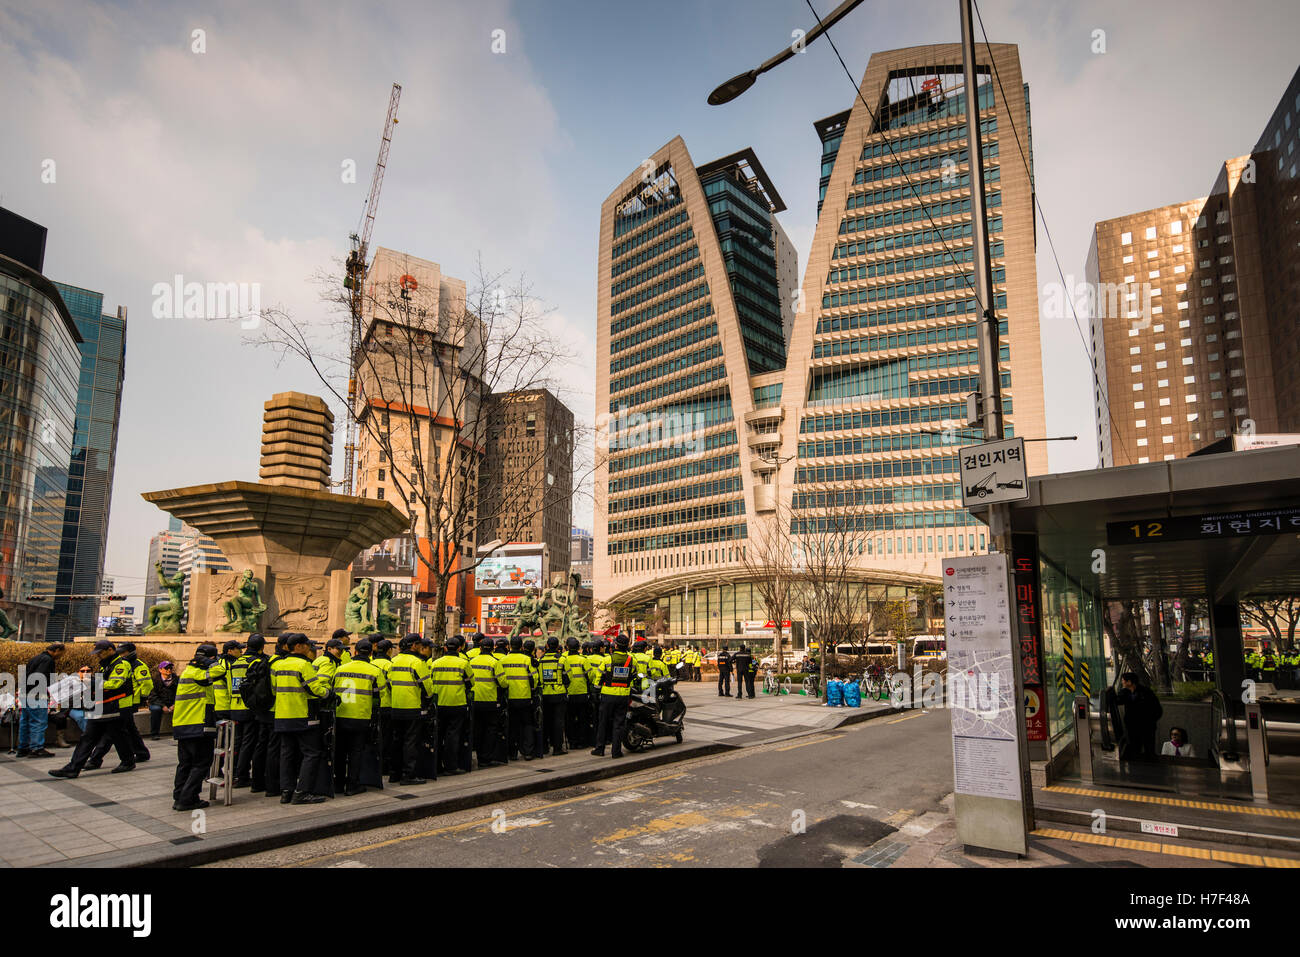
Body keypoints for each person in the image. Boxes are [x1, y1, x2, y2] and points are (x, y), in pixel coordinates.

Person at [49, 641, 135, 778]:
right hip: (102, 707)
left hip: (116, 707)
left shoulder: (121, 665)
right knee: (88, 737)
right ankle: (73, 768)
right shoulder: (106, 666)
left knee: (118, 736)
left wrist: (92, 681)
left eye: (100, 652)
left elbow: (115, 684)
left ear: (110, 650)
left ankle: (127, 761)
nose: (98, 656)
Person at [272, 633, 332, 804]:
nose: (309, 648)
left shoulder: (279, 665)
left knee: (287, 754)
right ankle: (302, 791)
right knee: (311, 753)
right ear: (298, 646)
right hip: (302, 715)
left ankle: (286, 791)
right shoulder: (304, 665)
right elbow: (314, 689)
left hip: (283, 715)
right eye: (307, 645)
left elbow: (274, 688)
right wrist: (328, 693)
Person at [334, 638, 387, 794]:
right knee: (356, 751)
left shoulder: (340, 669)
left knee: (340, 751)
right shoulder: (374, 671)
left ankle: (337, 784)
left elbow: (333, 689)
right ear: (371, 653)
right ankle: (352, 785)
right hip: (361, 716)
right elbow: (381, 694)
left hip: (341, 715)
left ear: (355, 652)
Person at [171, 644, 218, 812]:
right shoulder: (199, 673)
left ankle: (179, 797)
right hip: (198, 724)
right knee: (201, 763)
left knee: (185, 764)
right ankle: (187, 799)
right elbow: (219, 671)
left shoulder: (187, 672)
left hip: (183, 724)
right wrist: (210, 662)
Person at [387, 634, 434, 785]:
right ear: (414, 645)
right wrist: (427, 698)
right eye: (419, 644)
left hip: (396, 706)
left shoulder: (393, 661)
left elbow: (388, 683)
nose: (421, 647)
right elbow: (427, 687)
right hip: (413, 707)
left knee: (396, 740)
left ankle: (394, 774)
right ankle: (409, 775)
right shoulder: (417, 662)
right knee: (411, 742)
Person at [429, 636, 474, 775]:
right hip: (457, 704)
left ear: (445, 648)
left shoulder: (435, 663)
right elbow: (470, 683)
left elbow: (430, 682)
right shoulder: (463, 663)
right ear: (460, 648)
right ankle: (451, 766)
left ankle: (436, 765)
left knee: (438, 735)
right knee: (453, 736)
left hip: (439, 704)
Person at [233, 635, 269, 790]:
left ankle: (234, 772)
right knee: (249, 743)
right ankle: (242, 776)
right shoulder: (255, 662)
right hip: (250, 707)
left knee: (238, 742)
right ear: (261, 647)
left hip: (235, 706)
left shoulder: (236, 662)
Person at [17, 642, 65, 757]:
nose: (61, 656)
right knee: (38, 722)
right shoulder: (48, 660)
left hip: (26, 693)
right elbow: (40, 676)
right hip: (37, 695)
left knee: (25, 722)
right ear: (57, 650)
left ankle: (23, 748)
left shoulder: (35, 658)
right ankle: (37, 748)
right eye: (62, 653)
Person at [592, 634, 636, 758]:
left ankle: (599, 749)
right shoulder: (631, 660)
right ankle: (616, 752)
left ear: (615, 645)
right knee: (619, 724)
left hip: (607, 695)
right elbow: (634, 676)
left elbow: (598, 678)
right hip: (623, 696)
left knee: (603, 722)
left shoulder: (607, 660)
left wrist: (596, 692)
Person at [469, 632, 508, 768]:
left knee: (478, 730)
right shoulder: (495, 662)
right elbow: (503, 683)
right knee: (490, 730)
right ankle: (486, 758)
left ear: (480, 648)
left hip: (475, 701)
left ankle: (479, 757)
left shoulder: (471, 661)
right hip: (491, 701)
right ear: (492, 649)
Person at [262, 634, 293, 799]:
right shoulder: (280, 663)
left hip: (269, 711)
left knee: (270, 748)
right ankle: (275, 785)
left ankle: (269, 784)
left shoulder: (270, 660)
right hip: (278, 711)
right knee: (278, 749)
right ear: (286, 647)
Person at [502, 635, 539, 760]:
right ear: (522, 646)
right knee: (527, 725)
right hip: (525, 697)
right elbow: (534, 678)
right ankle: (527, 752)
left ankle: (512, 753)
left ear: (510, 646)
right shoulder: (526, 660)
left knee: (512, 726)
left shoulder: (503, 660)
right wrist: (533, 691)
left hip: (510, 698)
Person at [1116, 672, 1162, 761]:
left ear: (1129, 682)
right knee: (1135, 747)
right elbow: (1118, 701)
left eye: (1123, 681)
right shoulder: (1125, 692)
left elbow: (1157, 709)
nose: (1122, 683)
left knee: (1149, 747)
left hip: (1147, 726)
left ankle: (1150, 765)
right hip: (1132, 726)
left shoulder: (1146, 692)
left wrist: (1150, 721)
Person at [538, 636, 569, 756]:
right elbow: (568, 678)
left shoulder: (541, 660)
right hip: (559, 693)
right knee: (558, 721)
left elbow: (539, 678)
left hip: (545, 694)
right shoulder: (561, 660)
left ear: (546, 646)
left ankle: (545, 747)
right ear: (557, 647)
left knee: (546, 721)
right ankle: (557, 748)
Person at [562, 637, 590, 750]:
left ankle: (572, 741)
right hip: (582, 692)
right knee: (583, 719)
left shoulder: (563, 659)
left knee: (570, 719)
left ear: (567, 647)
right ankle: (582, 741)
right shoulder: (583, 660)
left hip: (568, 693)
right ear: (579, 647)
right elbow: (591, 676)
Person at [148, 661, 177, 740]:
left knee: (181, 709)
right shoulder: (155, 680)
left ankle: (178, 731)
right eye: (166, 668)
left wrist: (174, 705)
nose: (169, 670)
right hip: (157, 703)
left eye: (170, 668)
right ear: (160, 670)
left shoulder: (176, 679)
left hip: (172, 702)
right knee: (156, 709)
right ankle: (154, 734)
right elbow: (152, 696)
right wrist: (163, 705)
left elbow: (180, 694)